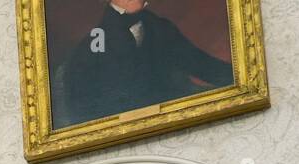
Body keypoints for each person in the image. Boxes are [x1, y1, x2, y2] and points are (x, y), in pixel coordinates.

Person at [57, 0, 235, 128]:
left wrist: (243, 77)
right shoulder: (93, 44)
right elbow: (84, 111)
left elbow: (202, 65)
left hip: (175, 123)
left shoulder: (160, 27)